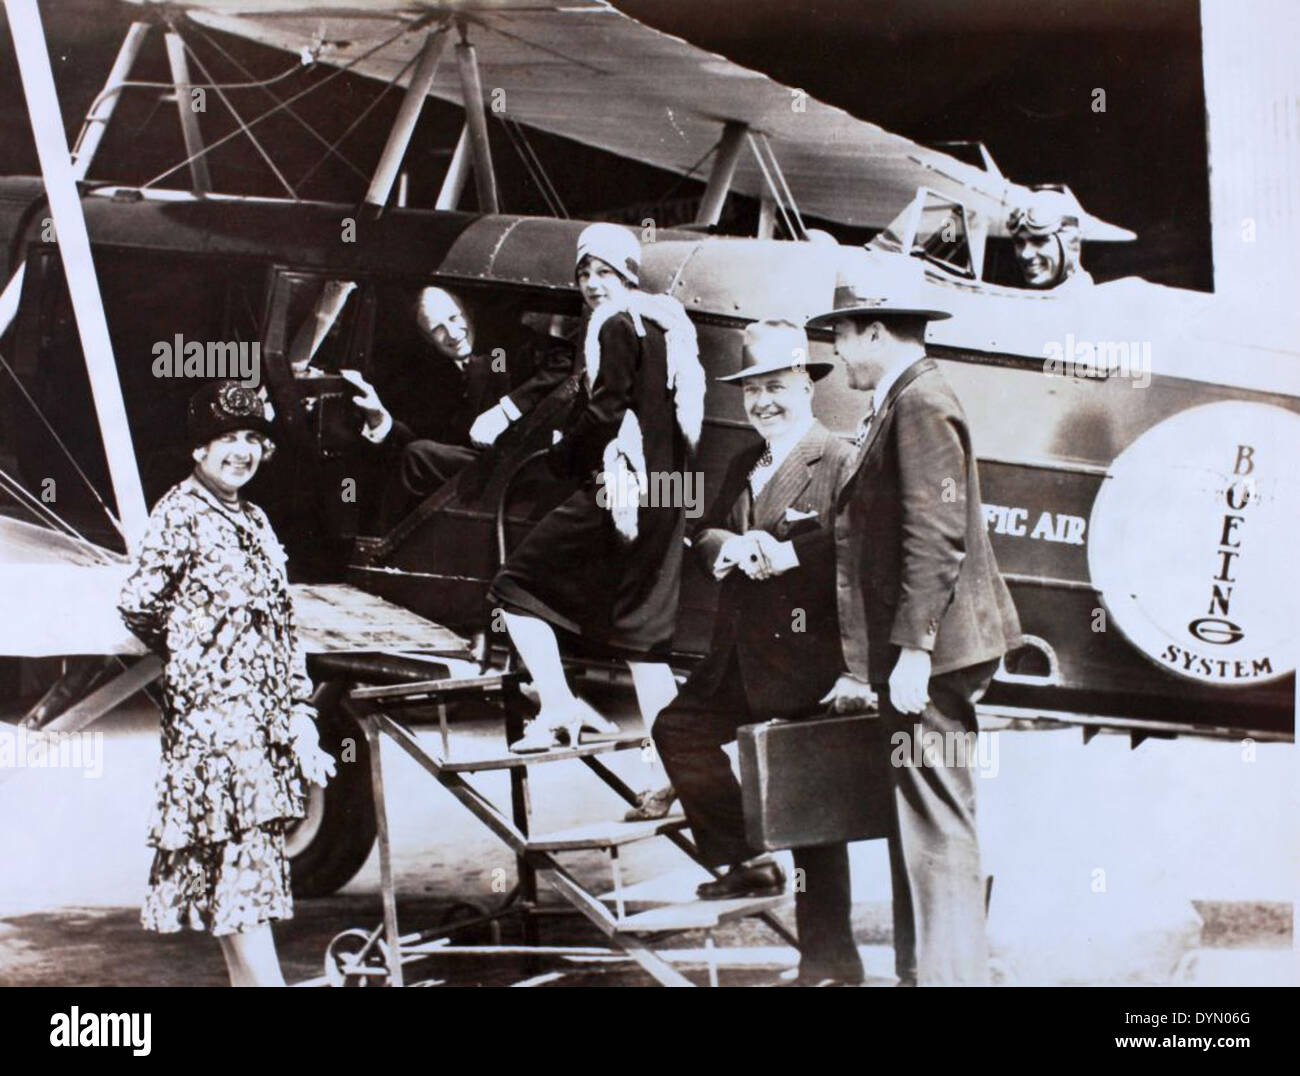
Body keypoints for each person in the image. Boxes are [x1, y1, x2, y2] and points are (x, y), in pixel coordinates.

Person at [809, 255, 1022, 987]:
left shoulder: (922, 402)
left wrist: (912, 653)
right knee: (927, 818)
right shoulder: (906, 398)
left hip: (930, 653)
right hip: (927, 651)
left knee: (936, 821)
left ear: (872, 330)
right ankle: (929, 972)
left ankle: (951, 979)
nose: (836, 353)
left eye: (840, 335)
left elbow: (936, 537)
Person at [652, 319, 870, 986]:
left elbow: (857, 545)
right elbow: (704, 526)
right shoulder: (746, 461)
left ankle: (831, 964)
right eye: (752, 392)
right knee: (677, 730)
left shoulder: (839, 458)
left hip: (805, 661)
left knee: (814, 822)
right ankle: (745, 856)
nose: (764, 402)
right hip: (736, 660)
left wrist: (787, 553)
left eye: (776, 387)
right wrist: (724, 550)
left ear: (806, 386)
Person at [118, 380, 336, 987]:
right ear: (198, 449)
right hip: (214, 731)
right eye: (227, 439)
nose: (241, 451)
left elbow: (283, 623)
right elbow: (139, 603)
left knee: (240, 877)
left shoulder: (256, 519)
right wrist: (201, 656)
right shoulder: (181, 513)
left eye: (252, 440)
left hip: (263, 723)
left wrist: (299, 709)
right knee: (240, 871)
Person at [488, 223, 705, 753]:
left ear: (627, 275)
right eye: (584, 272)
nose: (592, 283)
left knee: (513, 589)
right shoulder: (669, 329)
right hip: (666, 497)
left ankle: (558, 704)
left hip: (620, 492)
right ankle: (677, 767)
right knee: (643, 639)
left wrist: (563, 456)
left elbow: (605, 414)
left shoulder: (615, 325)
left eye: (603, 272)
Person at [345, 286, 575, 521]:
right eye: (438, 329)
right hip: (471, 470)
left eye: (454, 318)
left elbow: (568, 359)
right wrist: (382, 421)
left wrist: (505, 411)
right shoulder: (431, 376)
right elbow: (423, 439)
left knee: (417, 457)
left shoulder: (503, 347)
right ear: (427, 338)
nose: (453, 333)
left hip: (516, 465)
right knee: (413, 456)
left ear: (467, 312)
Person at [1007, 185, 1094, 292]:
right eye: (1019, 242)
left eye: (1038, 240)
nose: (1025, 254)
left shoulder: (1089, 304)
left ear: (1072, 244)